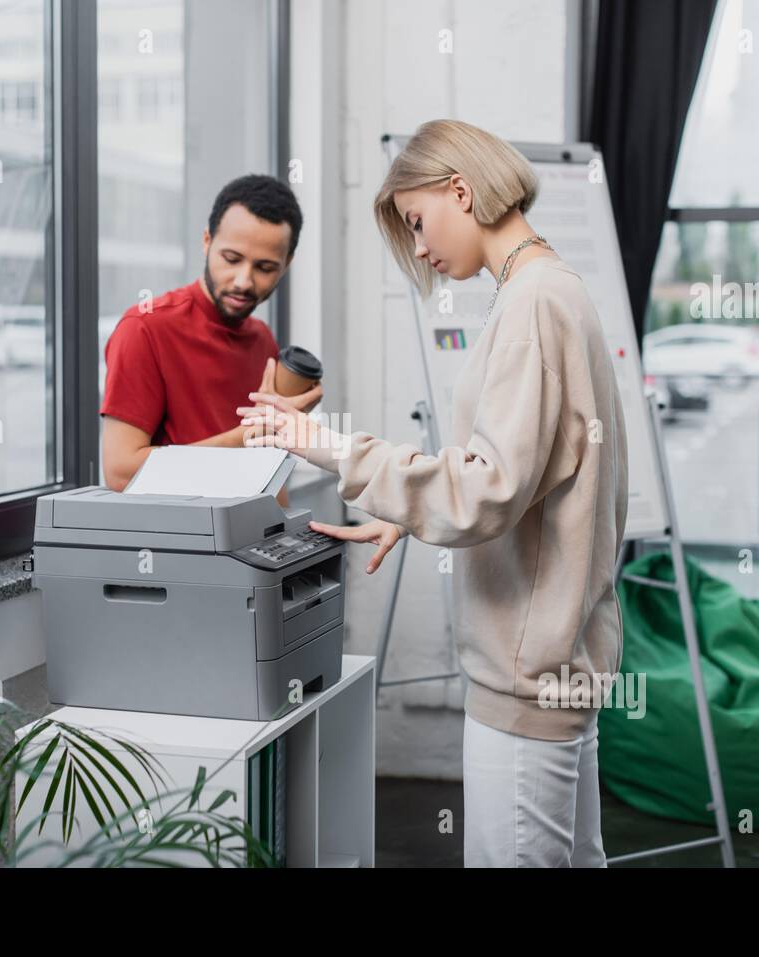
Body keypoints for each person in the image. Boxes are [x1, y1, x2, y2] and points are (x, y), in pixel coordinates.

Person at [237, 119, 629, 867]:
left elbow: (485, 490)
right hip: (560, 664)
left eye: (418, 222)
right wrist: (409, 516)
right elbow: (529, 472)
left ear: (461, 188)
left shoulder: (530, 305)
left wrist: (323, 443)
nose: (418, 248)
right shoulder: (551, 289)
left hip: (524, 677)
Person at [100, 174, 323, 504]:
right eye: (231, 259)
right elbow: (121, 473)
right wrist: (247, 437)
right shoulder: (144, 328)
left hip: (249, 540)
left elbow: (269, 476)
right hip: (178, 545)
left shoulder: (262, 340)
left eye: (264, 267)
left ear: (286, 265)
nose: (244, 281)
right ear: (207, 241)